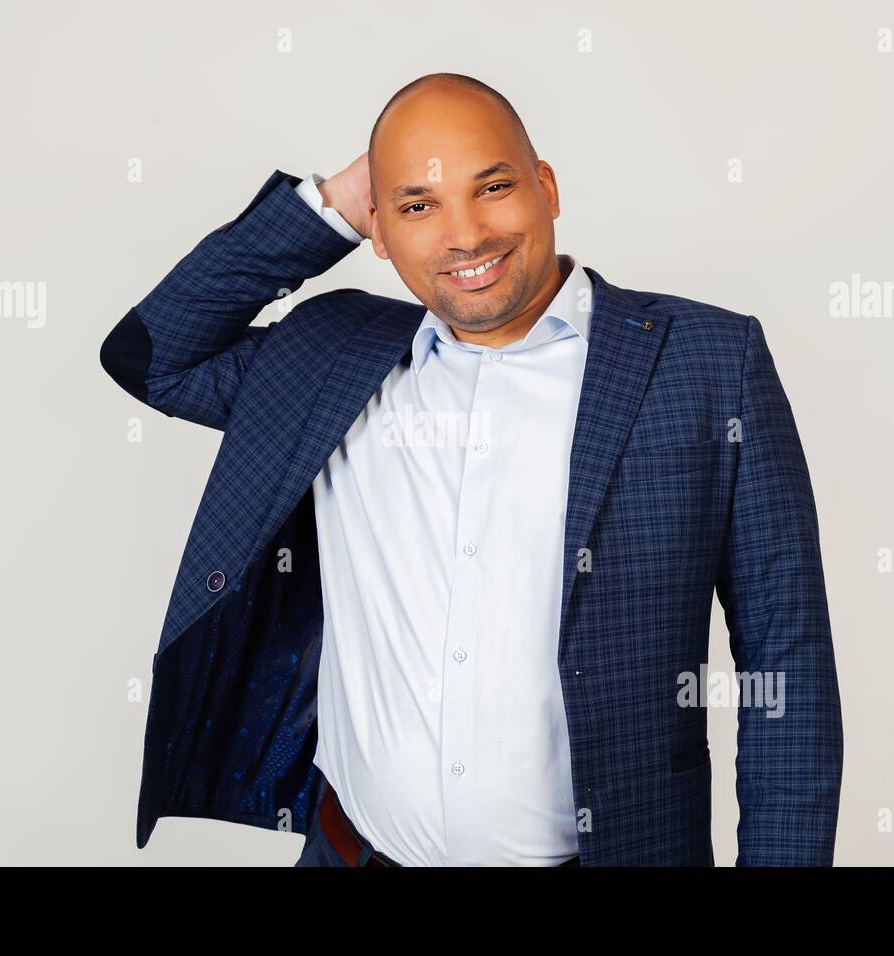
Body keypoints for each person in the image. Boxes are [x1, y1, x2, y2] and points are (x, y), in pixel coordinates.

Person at [99, 72, 843, 866]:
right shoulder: (329, 358)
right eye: (418, 206)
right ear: (379, 232)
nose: (465, 235)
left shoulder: (707, 363)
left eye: (491, 187)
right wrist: (342, 203)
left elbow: (785, 659)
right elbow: (152, 357)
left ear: (547, 187)